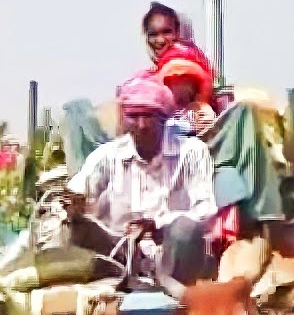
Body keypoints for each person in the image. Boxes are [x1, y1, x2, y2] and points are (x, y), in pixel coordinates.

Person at [66, 76, 218, 285]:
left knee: (186, 229)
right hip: (118, 254)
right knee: (73, 225)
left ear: (164, 118)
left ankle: (175, 293)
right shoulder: (107, 156)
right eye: (133, 116)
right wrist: (73, 204)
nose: (141, 124)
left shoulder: (192, 152)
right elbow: (78, 192)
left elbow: (206, 211)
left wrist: (158, 226)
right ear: (124, 119)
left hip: (172, 257)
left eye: (149, 115)